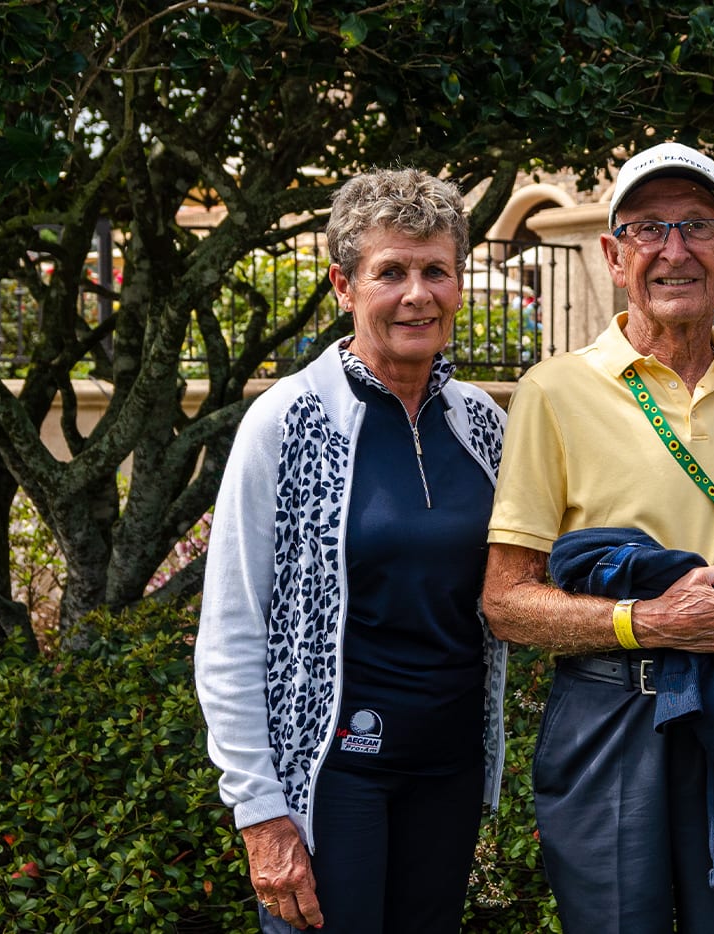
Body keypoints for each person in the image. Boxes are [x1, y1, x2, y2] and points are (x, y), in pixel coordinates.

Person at [482, 142, 714, 934]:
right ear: (612, 255)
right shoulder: (554, 391)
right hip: (613, 712)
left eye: (698, 225)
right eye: (648, 228)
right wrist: (648, 622)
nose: (674, 249)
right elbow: (505, 602)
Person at [195, 168, 510, 933]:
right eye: (390, 272)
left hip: (449, 766)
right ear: (343, 283)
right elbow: (232, 625)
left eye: (437, 270)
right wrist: (260, 812)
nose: (417, 294)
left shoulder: (483, 425)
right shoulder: (287, 422)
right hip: (332, 775)